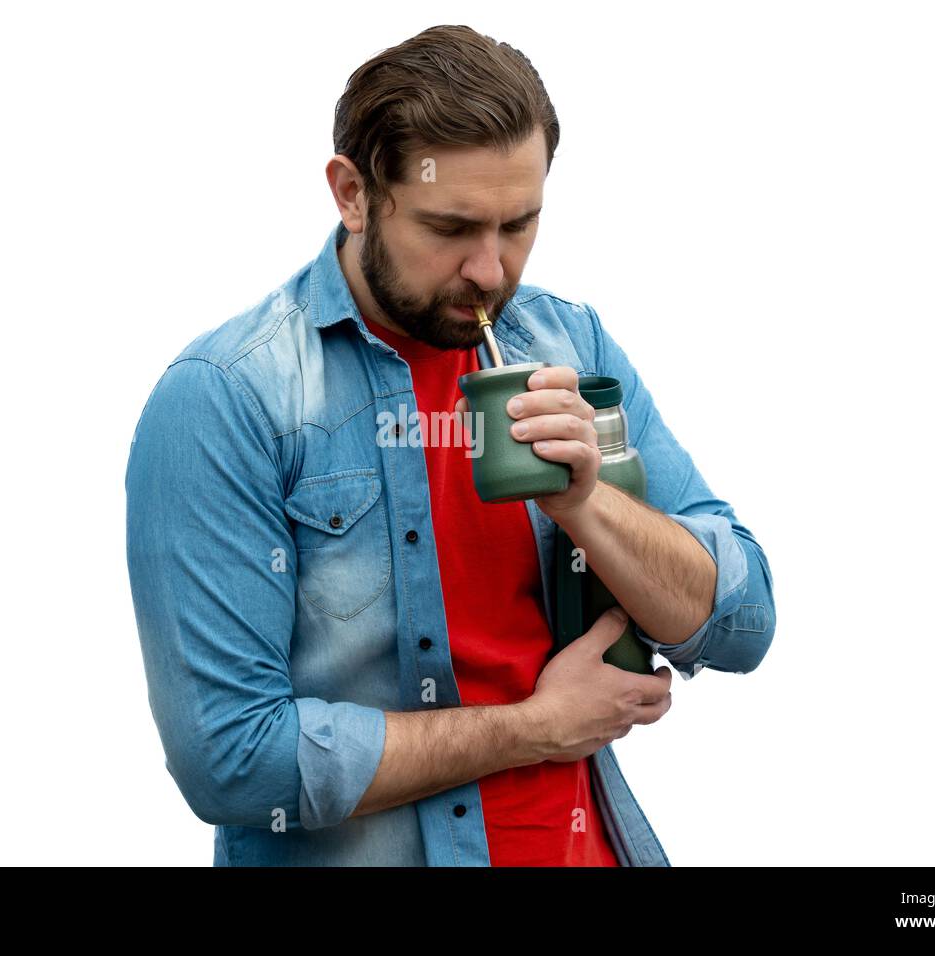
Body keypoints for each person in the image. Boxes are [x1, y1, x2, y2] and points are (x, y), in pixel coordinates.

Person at [124, 24, 776, 867]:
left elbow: (743, 623)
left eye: (519, 224)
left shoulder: (573, 347)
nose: (490, 271)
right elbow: (232, 762)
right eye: (452, 227)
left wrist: (586, 504)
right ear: (352, 193)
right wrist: (534, 731)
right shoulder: (228, 398)